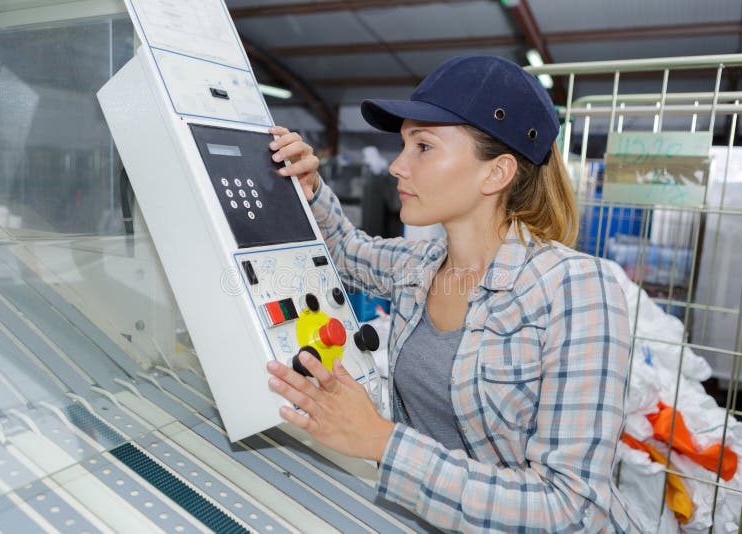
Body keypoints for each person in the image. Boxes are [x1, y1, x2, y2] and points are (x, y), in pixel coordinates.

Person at [265, 55, 641, 532]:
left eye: (423, 146)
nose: (397, 166)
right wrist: (311, 187)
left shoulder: (576, 290)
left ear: (496, 173)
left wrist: (382, 442)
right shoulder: (420, 266)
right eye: (403, 145)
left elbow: (570, 509)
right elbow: (343, 249)